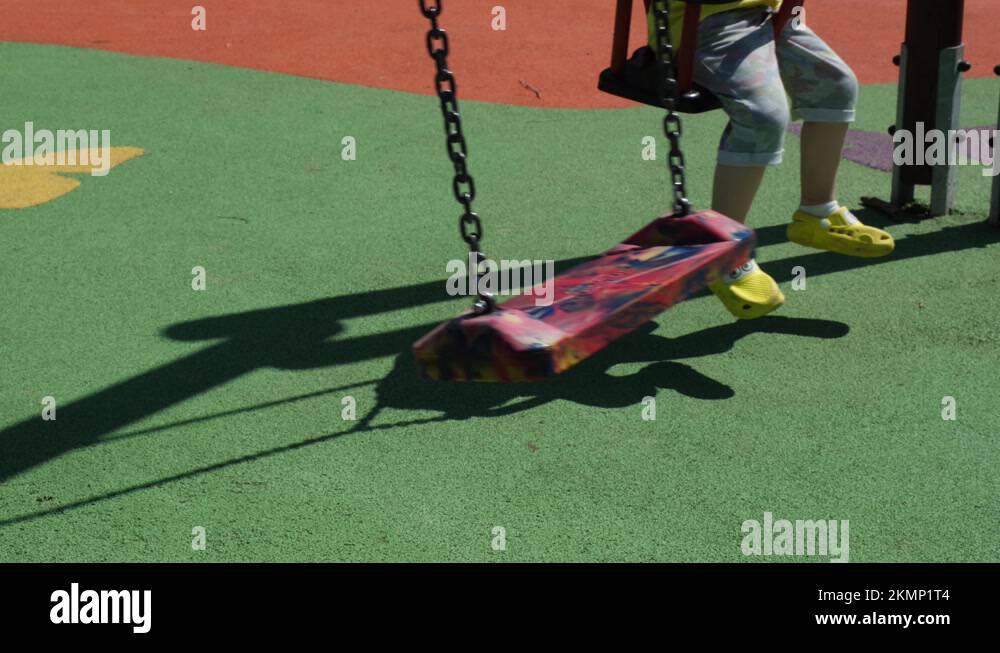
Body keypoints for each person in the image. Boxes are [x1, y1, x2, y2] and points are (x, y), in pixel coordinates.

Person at [650, 1, 895, 319]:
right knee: (763, 114)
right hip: (708, 21)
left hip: (774, 15)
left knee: (836, 85)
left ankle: (817, 212)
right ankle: (722, 250)